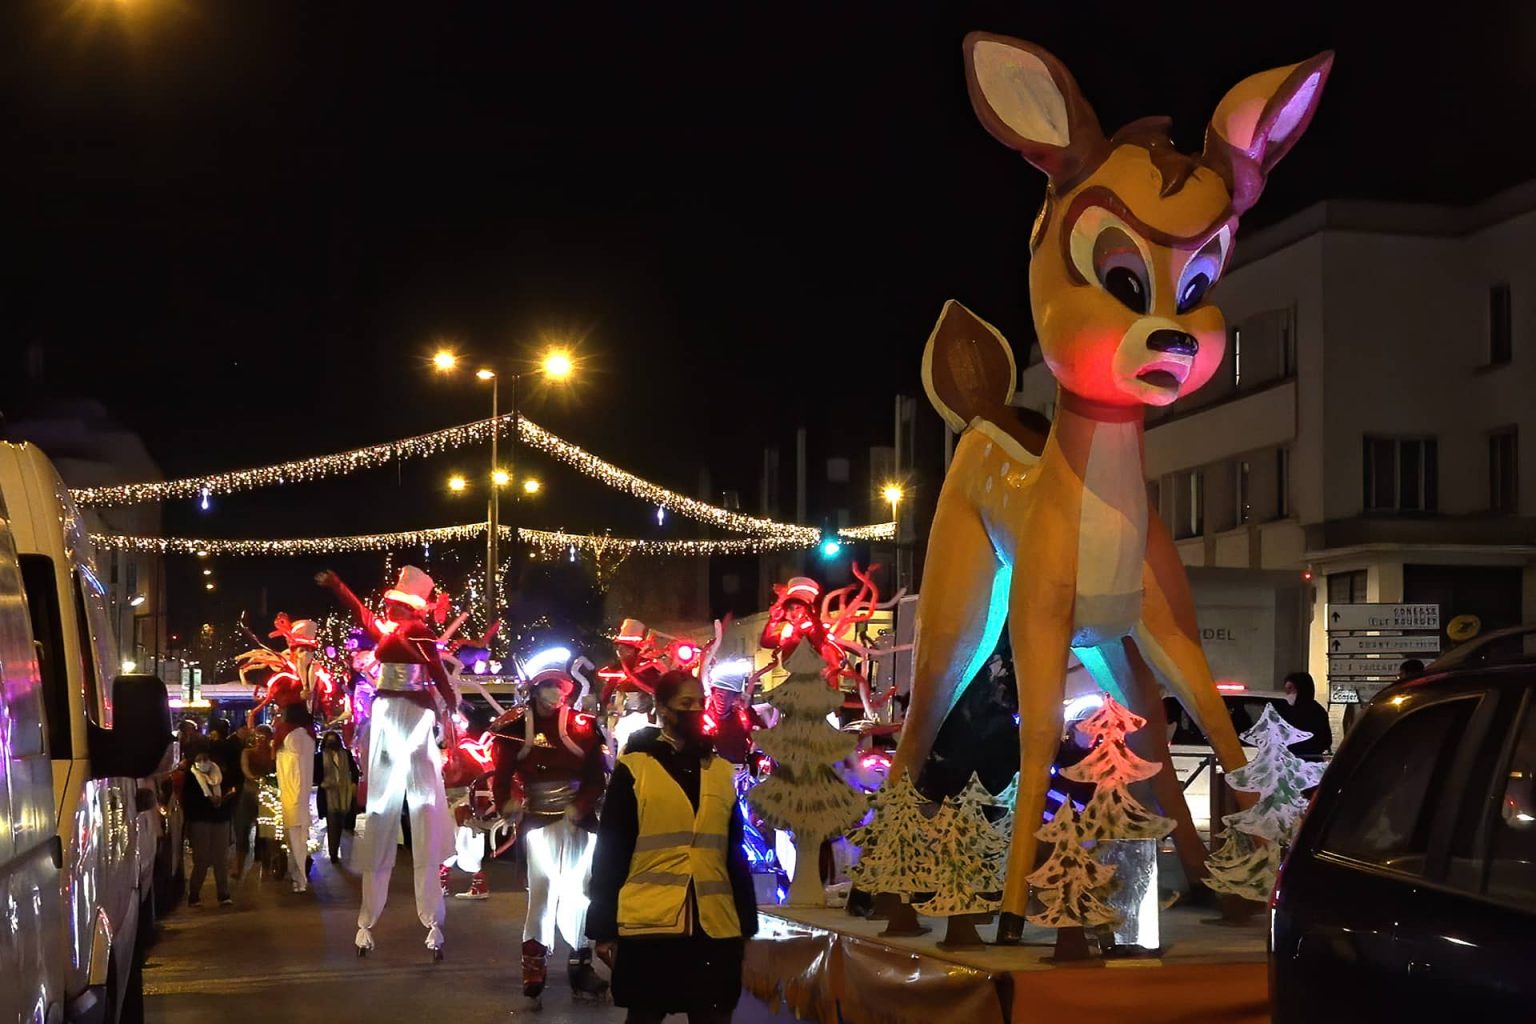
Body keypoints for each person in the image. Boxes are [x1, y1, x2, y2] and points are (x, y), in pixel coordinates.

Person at [588, 670, 759, 1024]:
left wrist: (746, 922)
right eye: (686, 703)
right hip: (651, 923)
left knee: (714, 1015)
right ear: (663, 709)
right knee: (645, 1015)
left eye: (700, 702)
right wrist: (603, 927)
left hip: (715, 924)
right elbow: (612, 851)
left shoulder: (720, 772)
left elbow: (734, 851)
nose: (696, 709)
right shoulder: (635, 769)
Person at [319, 565, 459, 959]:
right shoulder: (393, 630)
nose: (389, 608)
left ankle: (431, 918)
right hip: (386, 714)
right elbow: (362, 614)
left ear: (411, 608)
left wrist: (449, 707)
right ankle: (369, 920)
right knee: (382, 809)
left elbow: (436, 671)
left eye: (397, 604)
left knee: (423, 805)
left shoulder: (417, 632)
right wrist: (339, 586)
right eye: (391, 604)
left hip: (410, 714)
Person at [489, 670, 610, 1006]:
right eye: (548, 686)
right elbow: (501, 777)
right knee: (541, 894)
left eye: (559, 686)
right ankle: (534, 966)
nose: (555, 692)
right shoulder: (516, 727)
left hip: (579, 823)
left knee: (580, 895)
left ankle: (580, 965)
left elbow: (596, 778)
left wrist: (579, 806)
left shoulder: (582, 726)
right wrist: (506, 803)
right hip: (538, 824)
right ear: (535, 689)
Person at [184, 737, 238, 907]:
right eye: (199, 759)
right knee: (201, 859)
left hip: (220, 819)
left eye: (205, 758)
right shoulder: (191, 776)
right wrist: (208, 801)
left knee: (221, 859)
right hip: (200, 820)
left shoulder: (219, 773)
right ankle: (194, 895)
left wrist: (223, 800)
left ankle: (224, 894)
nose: (203, 762)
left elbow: (231, 790)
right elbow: (189, 801)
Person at [277, 704, 318, 892]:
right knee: (296, 839)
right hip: (296, 795)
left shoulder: (295, 737)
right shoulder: (305, 736)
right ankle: (297, 875)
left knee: (296, 840)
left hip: (294, 794)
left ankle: (300, 878)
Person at [233, 725, 276, 879]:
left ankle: (266, 867)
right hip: (249, 792)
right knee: (242, 829)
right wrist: (254, 777)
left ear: (269, 738)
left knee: (266, 832)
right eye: (257, 737)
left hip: (266, 794)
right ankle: (238, 866)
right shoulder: (248, 752)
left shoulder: (273, 753)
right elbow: (245, 768)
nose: (260, 740)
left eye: (263, 737)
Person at [317, 729, 360, 864]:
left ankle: (335, 847)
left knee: (340, 824)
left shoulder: (346, 754)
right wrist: (323, 783)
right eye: (329, 740)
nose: (331, 743)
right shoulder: (319, 757)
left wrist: (353, 784)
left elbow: (354, 771)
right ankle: (333, 853)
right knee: (332, 824)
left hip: (344, 794)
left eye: (334, 740)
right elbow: (316, 775)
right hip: (328, 795)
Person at [1280, 671, 1332, 757]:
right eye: (1286, 689)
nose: (1287, 693)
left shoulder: (1316, 712)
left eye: (1290, 688)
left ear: (1301, 689)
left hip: (1308, 759)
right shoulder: (1285, 709)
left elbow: (1325, 740)